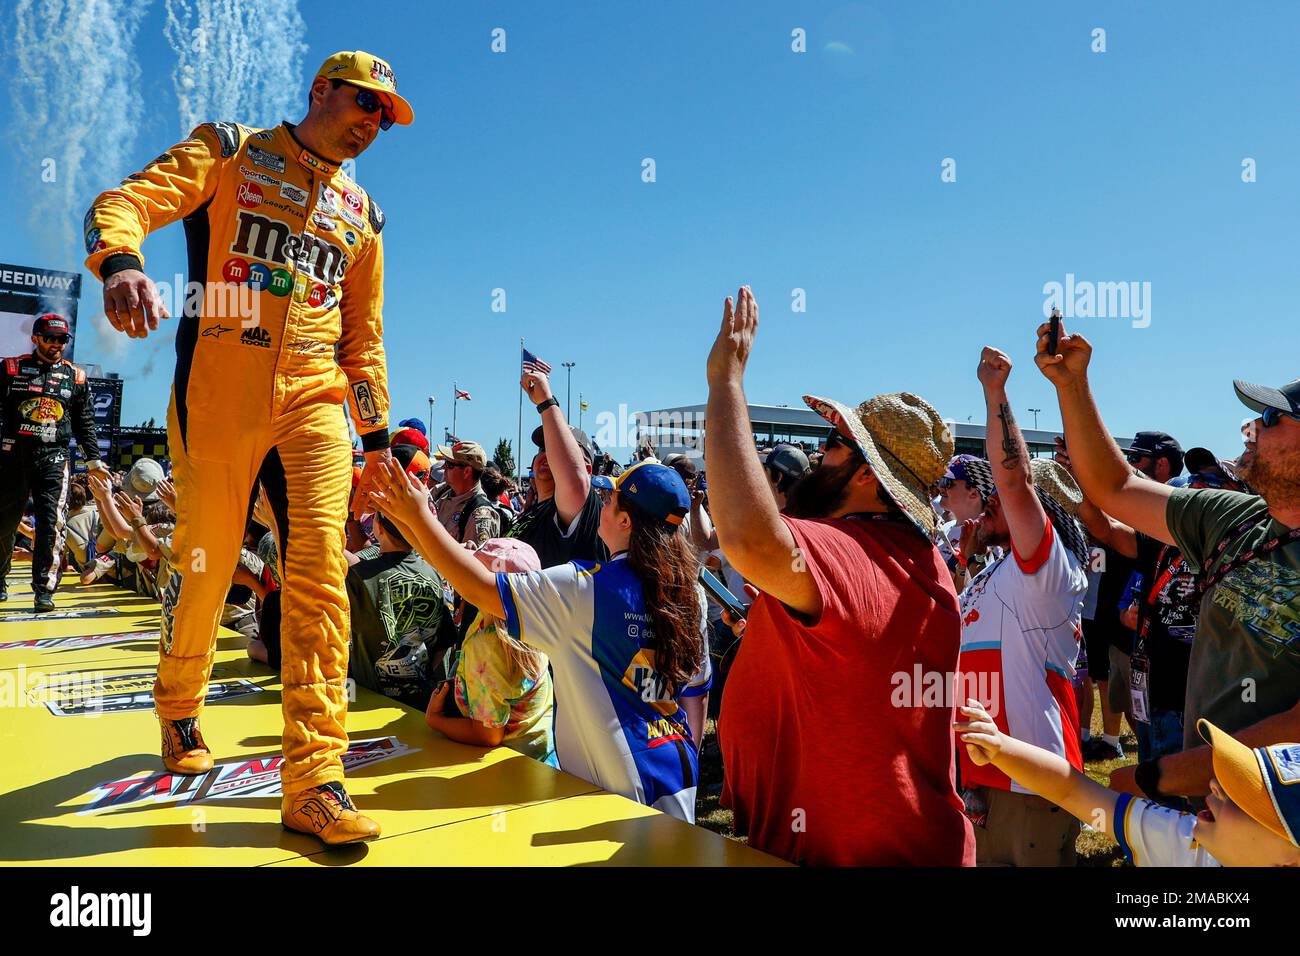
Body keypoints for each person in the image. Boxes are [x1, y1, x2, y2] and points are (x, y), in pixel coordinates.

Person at [84, 49, 414, 845]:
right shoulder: (231, 148)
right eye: (363, 103)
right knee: (204, 569)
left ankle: (315, 779)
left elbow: (363, 341)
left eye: (384, 115)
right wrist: (121, 264)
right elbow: (123, 201)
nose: (373, 123)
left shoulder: (364, 218)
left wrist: (378, 447)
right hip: (216, 402)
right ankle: (179, 706)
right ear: (321, 91)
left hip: (313, 405)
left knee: (319, 582)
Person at [706, 286, 974, 866]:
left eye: (832, 444)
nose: (819, 456)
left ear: (866, 478)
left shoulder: (857, 553)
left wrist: (726, 383)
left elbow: (748, 538)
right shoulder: (904, 559)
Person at [1036, 318, 1300, 806]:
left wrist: (1163, 777)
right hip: (1209, 806)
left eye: (1269, 419)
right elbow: (1116, 489)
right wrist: (1073, 387)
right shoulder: (1233, 518)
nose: (1250, 430)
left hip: (1279, 820)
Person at [371, 456, 708, 821]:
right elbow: (695, 695)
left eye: (610, 500)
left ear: (626, 521)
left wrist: (419, 518)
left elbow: (480, 588)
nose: (601, 505)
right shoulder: (689, 593)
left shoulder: (584, 587)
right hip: (679, 770)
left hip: (616, 787)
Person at [956, 700, 1300, 867]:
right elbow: (1074, 792)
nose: (1216, 786)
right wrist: (1002, 748)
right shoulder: (1187, 845)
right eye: (1233, 776)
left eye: (1243, 795)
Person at [0, 314, 106, 610]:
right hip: (12, 456)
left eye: (62, 339)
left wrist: (94, 459)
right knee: (4, 523)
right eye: (50, 338)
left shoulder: (76, 377)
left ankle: (44, 589)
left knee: (51, 523)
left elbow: (85, 421)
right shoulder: (10, 369)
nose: (57, 344)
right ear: (35, 338)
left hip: (54, 457)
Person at [425, 538, 557, 766]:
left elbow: (489, 734)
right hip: (542, 762)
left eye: (474, 573)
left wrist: (436, 720)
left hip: (506, 770)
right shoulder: (529, 625)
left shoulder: (488, 646)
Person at [510, 367, 607, 568]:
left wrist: (546, 402)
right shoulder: (532, 513)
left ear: (588, 470)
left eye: (557, 449)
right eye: (543, 446)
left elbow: (574, 483)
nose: (548, 453)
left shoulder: (581, 508)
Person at [432, 440, 500, 546]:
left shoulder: (480, 514)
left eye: (449, 464)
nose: (442, 467)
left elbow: (472, 560)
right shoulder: (441, 491)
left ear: (467, 471)